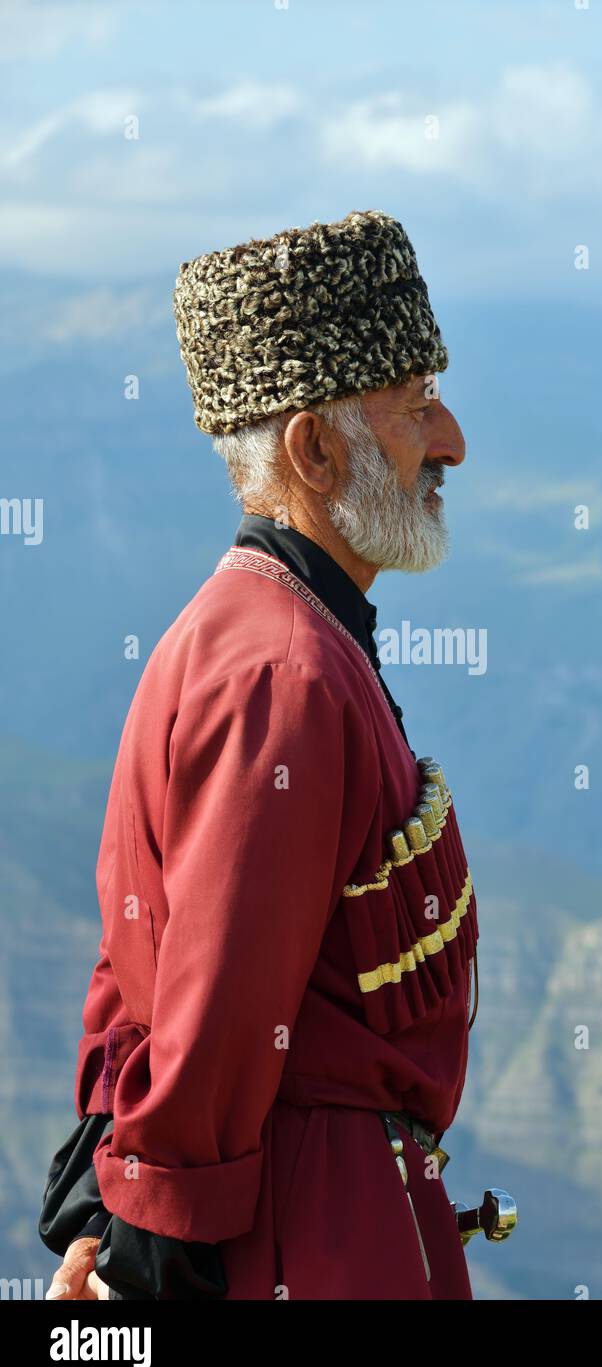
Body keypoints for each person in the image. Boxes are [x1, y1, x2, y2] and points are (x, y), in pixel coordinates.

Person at [38, 209, 479, 1300]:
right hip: (304, 1248)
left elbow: (138, 969)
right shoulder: (285, 675)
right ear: (314, 451)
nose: (451, 439)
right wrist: (142, 1268)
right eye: (414, 403)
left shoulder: (263, 635)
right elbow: (218, 1006)